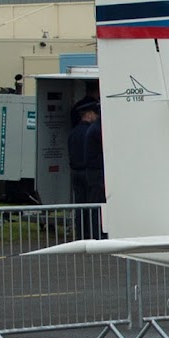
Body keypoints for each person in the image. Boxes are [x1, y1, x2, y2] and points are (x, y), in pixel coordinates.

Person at [68, 102, 105, 238]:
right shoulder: (92, 131)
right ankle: (95, 234)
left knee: (80, 206)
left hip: (75, 172)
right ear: (89, 114)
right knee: (94, 206)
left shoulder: (73, 132)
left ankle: (80, 234)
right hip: (89, 172)